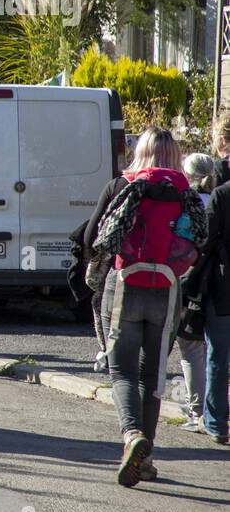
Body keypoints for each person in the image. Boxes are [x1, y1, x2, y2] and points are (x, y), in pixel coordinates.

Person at [88, 127, 209, 484]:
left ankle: (131, 436)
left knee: (122, 370)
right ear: (174, 156)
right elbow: (199, 241)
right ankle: (145, 456)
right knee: (152, 375)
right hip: (167, 290)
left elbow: (92, 235)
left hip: (125, 285)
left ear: (141, 152)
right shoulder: (187, 194)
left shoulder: (122, 185)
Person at [178, 153, 217, 432]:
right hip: (217, 282)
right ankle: (212, 410)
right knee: (211, 348)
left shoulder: (187, 203)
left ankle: (197, 411)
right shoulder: (217, 200)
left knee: (189, 344)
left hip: (190, 282)